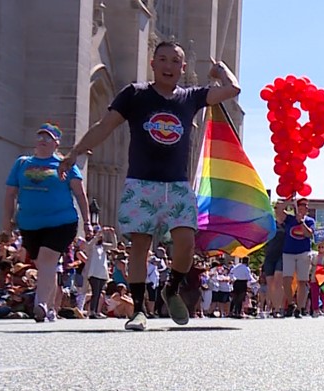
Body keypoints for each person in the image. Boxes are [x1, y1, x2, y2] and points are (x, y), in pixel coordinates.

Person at [59, 41, 241, 330]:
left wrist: (222, 71)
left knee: (185, 243)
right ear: (153, 63)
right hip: (141, 184)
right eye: (163, 59)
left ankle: (171, 289)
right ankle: (138, 310)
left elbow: (232, 91)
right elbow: (104, 126)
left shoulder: (190, 97)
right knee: (140, 245)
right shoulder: (135, 95)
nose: (169, 66)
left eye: (175, 61)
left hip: (177, 186)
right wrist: (74, 153)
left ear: (183, 68)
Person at [2, 123, 89, 323]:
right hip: (30, 223)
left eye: (48, 137)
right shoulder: (22, 163)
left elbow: (80, 194)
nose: (43, 140)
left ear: (56, 143)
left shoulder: (65, 164)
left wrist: (88, 223)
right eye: (40, 136)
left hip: (61, 221)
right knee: (44, 265)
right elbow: (10, 195)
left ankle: (40, 304)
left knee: (48, 259)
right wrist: (7, 225)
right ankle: (50, 307)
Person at [280, 198, 315, 318]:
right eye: (300, 205)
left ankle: (299, 308)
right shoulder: (289, 219)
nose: (302, 208)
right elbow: (278, 211)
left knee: (302, 281)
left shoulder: (310, 221)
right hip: (288, 252)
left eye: (305, 206)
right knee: (286, 280)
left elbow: (309, 234)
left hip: (303, 252)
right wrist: (288, 202)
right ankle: (290, 303)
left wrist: (301, 222)